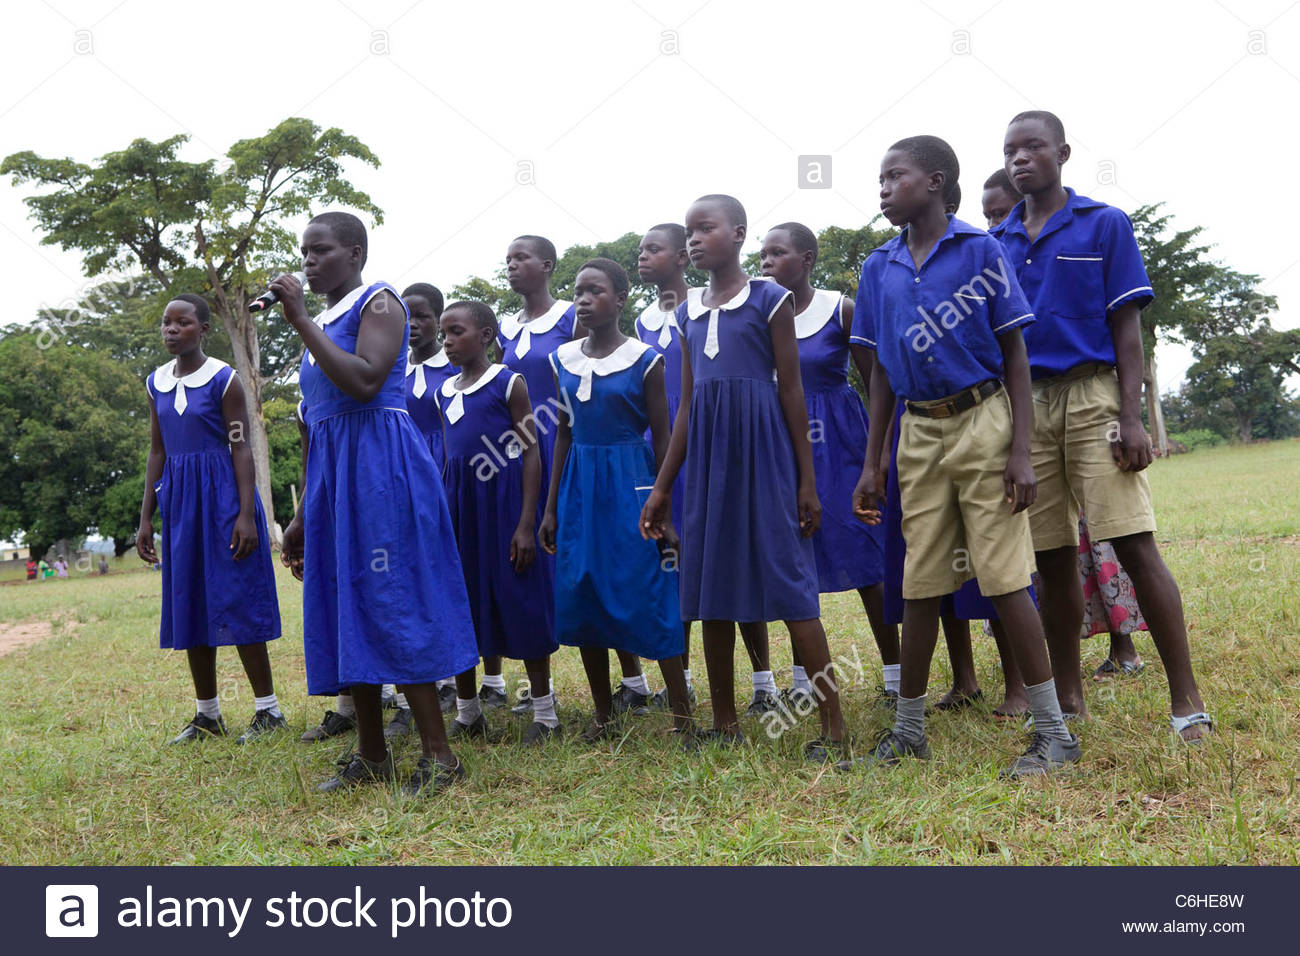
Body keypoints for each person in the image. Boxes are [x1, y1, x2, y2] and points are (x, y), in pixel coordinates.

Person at [844, 136, 1078, 778]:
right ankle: (909, 730)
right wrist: (874, 461)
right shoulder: (878, 266)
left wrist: (1022, 452)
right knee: (918, 581)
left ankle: (1054, 733)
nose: (883, 189)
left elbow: (1016, 357)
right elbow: (882, 372)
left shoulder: (980, 251)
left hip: (984, 421)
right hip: (918, 434)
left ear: (937, 182)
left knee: (1003, 577)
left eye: (895, 177)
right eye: (881, 179)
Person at [992, 110, 1211, 741]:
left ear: (1062, 153)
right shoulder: (996, 243)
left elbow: (1127, 331)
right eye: (1010, 150)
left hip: (1094, 397)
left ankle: (1186, 700)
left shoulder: (1103, 223)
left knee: (1133, 541)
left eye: (1032, 147)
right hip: (1025, 405)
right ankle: (1068, 696)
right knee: (1052, 557)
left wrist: (1131, 413)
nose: (1020, 159)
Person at [277, 211, 479, 795]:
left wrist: (300, 318)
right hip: (336, 476)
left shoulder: (380, 302)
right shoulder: (326, 320)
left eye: (321, 251)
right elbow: (319, 424)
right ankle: (370, 753)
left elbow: (364, 381)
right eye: (305, 252)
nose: (309, 262)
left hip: (382, 470)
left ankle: (440, 756)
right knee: (347, 604)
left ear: (356, 254)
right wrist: (302, 516)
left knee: (393, 599)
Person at [640, 194, 847, 761]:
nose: (694, 240)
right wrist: (662, 486)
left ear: (738, 233)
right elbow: (686, 408)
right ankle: (725, 722)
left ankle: (833, 725)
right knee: (709, 585)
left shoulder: (770, 298)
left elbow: (791, 389)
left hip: (765, 455)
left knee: (792, 583)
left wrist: (807, 480)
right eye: (689, 232)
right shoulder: (683, 313)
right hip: (708, 463)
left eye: (705, 229)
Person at [541, 259, 694, 743]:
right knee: (583, 588)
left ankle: (683, 715)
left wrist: (663, 504)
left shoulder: (646, 358)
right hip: (579, 486)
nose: (584, 299)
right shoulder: (561, 360)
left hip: (631, 482)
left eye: (595, 291)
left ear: (621, 298)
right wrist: (550, 508)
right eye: (578, 292)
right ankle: (604, 714)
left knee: (649, 588)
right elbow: (563, 435)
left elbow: (665, 436)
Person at [135, 293, 285, 745]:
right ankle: (207, 715)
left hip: (222, 495)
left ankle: (268, 711)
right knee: (191, 600)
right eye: (166, 323)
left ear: (203, 329)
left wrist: (245, 514)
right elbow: (157, 450)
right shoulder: (155, 383)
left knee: (236, 596)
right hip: (180, 502)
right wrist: (146, 518)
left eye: (182, 323)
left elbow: (240, 447)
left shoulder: (225, 379)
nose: (171, 330)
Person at [758, 222, 898, 707]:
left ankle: (897, 674)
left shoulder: (840, 309)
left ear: (809, 259)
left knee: (866, 556)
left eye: (778, 253)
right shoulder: (759, 313)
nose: (767, 263)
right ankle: (804, 684)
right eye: (762, 256)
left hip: (840, 442)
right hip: (784, 445)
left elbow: (876, 382)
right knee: (798, 563)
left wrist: (877, 459)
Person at [635, 223, 770, 714]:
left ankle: (763, 682)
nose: (643, 257)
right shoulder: (644, 322)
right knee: (676, 564)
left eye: (654, 249)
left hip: (714, 440)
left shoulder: (711, 304)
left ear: (679, 257)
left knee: (733, 557)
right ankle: (683, 679)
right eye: (640, 250)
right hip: (669, 449)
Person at [436, 300, 560, 746]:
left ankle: (545, 712)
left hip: (505, 503)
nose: (447, 341)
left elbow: (531, 451)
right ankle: (469, 712)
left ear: (486, 336)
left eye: (457, 332)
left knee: (520, 597)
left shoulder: (509, 383)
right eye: (444, 334)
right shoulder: (443, 391)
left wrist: (527, 522)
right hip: (459, 508)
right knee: (461, 603)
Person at [379, 281, 460, 736]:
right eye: (408, 317)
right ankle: (427, 679)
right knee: (412, 575)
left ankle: (462, 680)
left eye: (425, 316)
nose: (416, 325)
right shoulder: (392, 369)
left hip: (448, 471)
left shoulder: (455, 364)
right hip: (401, 478)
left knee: (448, 572)